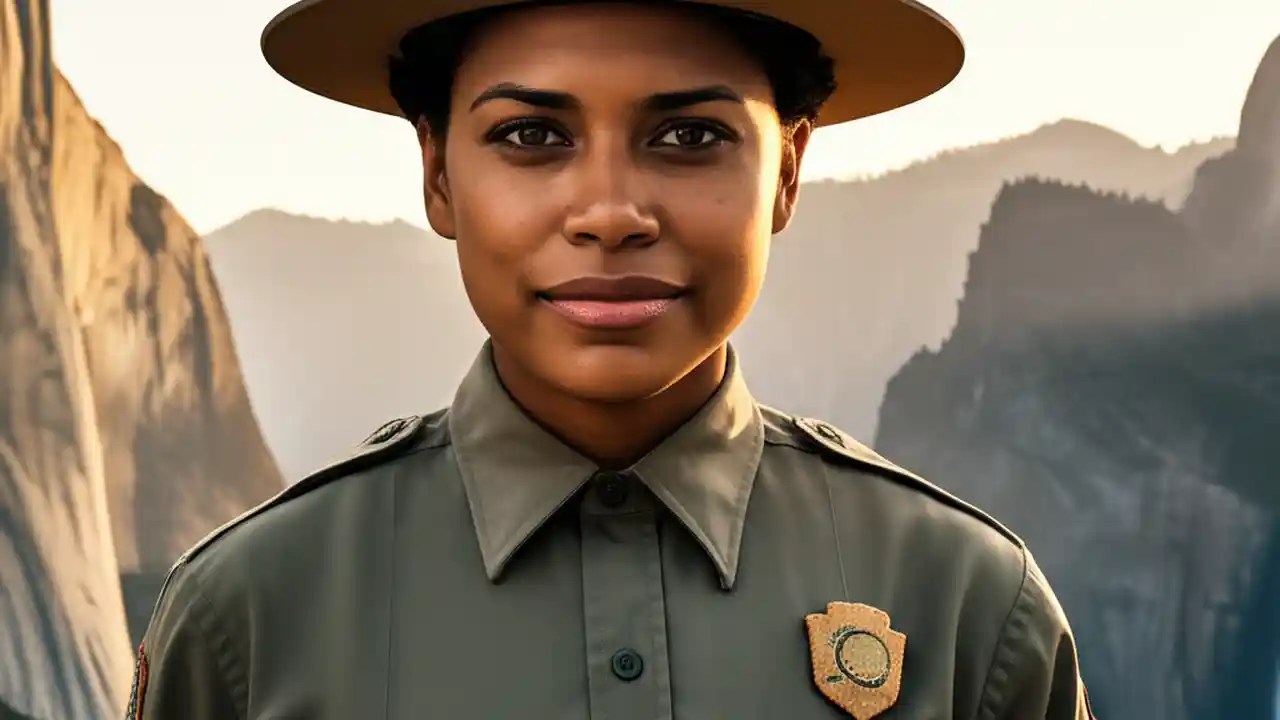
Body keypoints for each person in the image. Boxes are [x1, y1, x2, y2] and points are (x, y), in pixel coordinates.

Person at [127, 0, 1095, 718]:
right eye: (530, 136)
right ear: (436, 176)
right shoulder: (248, 615)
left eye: (688, 136)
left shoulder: (967, 603)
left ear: (786, 174)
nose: (609, 214)